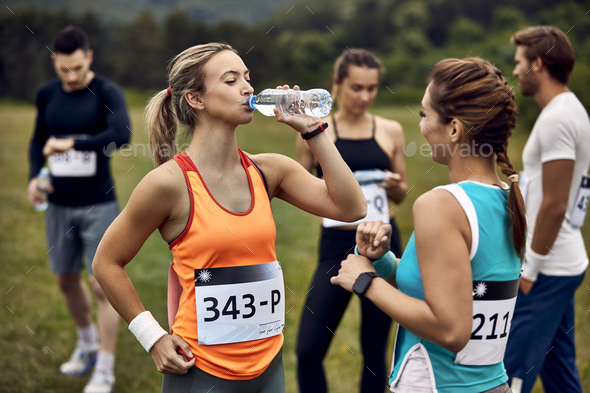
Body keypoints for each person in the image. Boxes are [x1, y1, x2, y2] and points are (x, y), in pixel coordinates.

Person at [92, 42, 366, 393]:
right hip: (201, 371)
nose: (248, 88)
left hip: (270, 366)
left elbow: (351, 208)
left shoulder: (270, 170)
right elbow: (107, 262)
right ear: (196, 99)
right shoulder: (168, 184)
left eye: (248, 78)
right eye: (231, 80)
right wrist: (153, 337)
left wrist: (312, 131)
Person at [331, 57, 526, 393]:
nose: (421, 126)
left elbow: (451, 330)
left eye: (425, 114)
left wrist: (365, 281)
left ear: (453, 129)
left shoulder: (441, 205)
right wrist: (383, 262)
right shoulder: (508, 197)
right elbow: (453, 288)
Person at [295, 48, 407, 392]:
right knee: (308, 350)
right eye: (356, 87)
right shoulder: (316, 131)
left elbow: (401, 193)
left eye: (372, 88)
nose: (365, 96)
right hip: (336, 245)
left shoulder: (390, 130)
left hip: (381, 245)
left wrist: (395, 185)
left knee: (375, 349)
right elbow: (299, 187)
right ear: (337, 85)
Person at [26, 26, 130, 393]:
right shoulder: (47, 94)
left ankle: (105, 367)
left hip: (98, 203)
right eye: (63, 69)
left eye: (77, 69)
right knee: (65, 280)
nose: (70, 77)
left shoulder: (105, 91)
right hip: (58, 203)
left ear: (88, 57)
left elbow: (122, 134)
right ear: (55, 61)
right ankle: (87, 344)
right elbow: (39, 140)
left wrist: (73, 142)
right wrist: (33, 176)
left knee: (101, 285)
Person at [503, 26, 590, 393]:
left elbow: (555, 204)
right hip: (561, 262)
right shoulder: (567, 109)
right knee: (559, 374)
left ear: (537, 64)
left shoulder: (557, 117)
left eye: (519, 61)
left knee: (509, 375)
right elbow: (555, 189)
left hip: (549, 268)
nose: (514, 70)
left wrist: (530, 270)